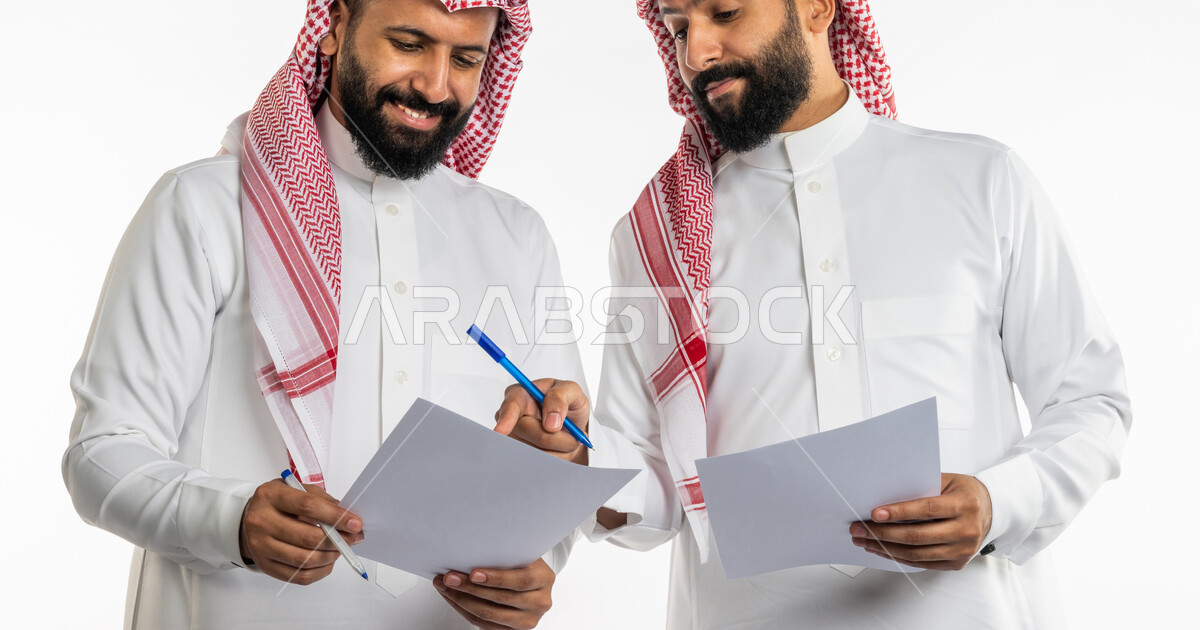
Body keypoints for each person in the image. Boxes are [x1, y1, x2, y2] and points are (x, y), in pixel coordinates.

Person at [494, 0, 1132, 627]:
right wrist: (577, 455)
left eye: (725, 13)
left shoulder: (981, 181)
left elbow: (1091, 401)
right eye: (680, 26)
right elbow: (661, 494)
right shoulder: (659, 236)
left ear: (820, 8)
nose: (697, 53)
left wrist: (998, 505)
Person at [62, 0, 584, 628]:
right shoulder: (202, 208)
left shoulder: (515, 234)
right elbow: (101, 454)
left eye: (466, 57)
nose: (437, 85)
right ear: (336, 24)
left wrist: (535, 562)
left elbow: (555, 478)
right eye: (410, 43)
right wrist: (231, 521)